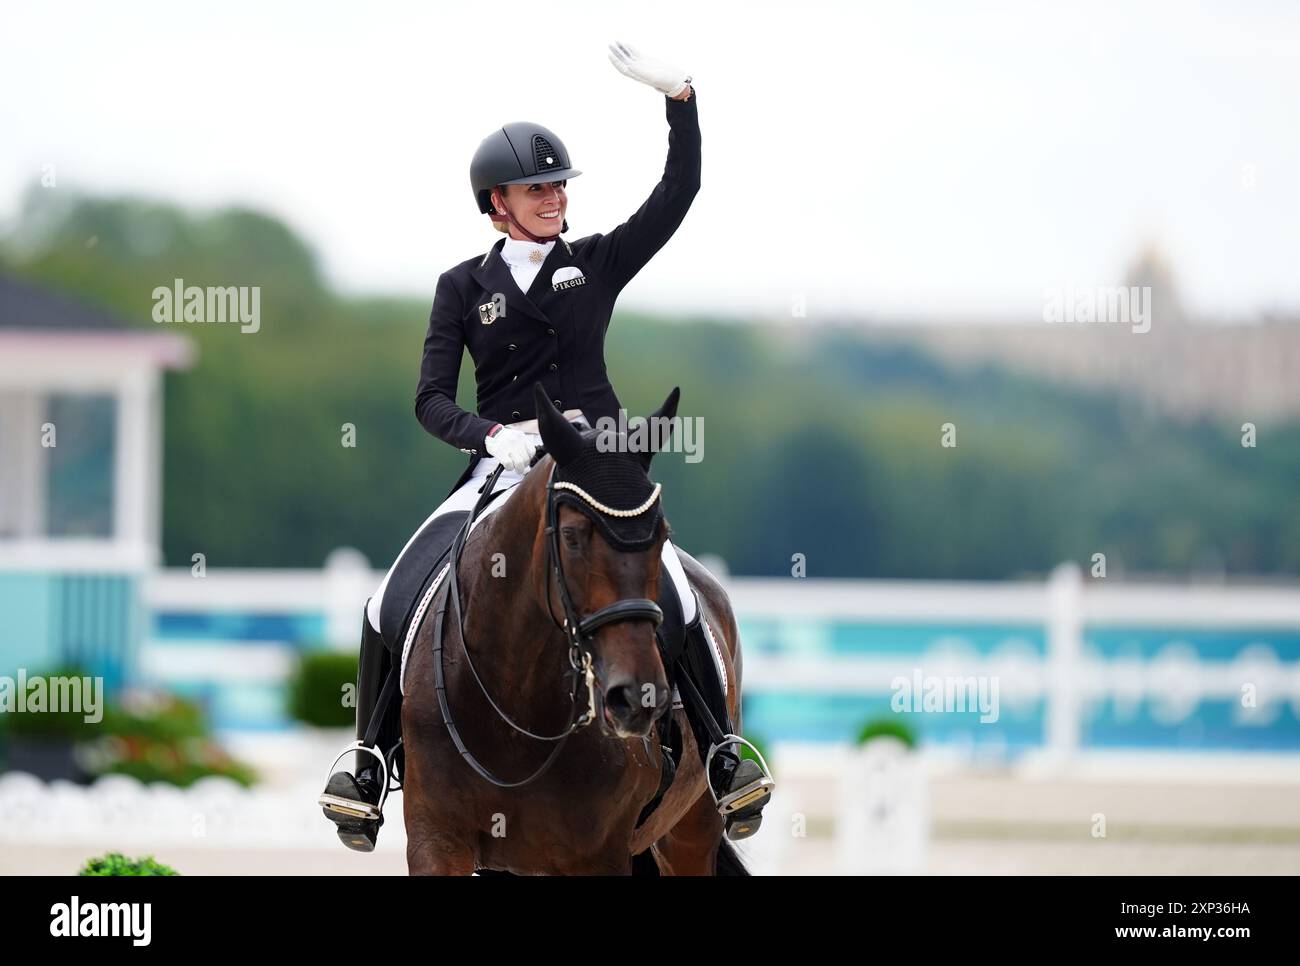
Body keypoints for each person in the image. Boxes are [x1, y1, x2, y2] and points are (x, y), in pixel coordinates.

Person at [319, 41, 773, 852]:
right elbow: (430, 399)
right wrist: (492, 435)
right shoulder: (462, 286)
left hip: (597, 462)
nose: (556, 197)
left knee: (677, 590)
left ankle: (723, 752)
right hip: (502, 467)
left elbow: (679, 193)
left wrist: (681, 100)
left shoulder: (595, 263)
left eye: (560, 185)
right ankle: (369, 762)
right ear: (497, 203)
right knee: (390, 595)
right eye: (539, 188)